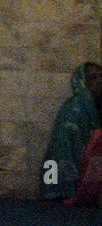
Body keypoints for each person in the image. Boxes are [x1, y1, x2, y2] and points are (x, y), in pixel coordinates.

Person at [40, 62, 102, 201]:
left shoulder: (95, 106)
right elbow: (63, 145)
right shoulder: (75, 107)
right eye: (93, 77)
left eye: (101, 76)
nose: (99, 80)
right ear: (82, 81)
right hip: (67, 183)